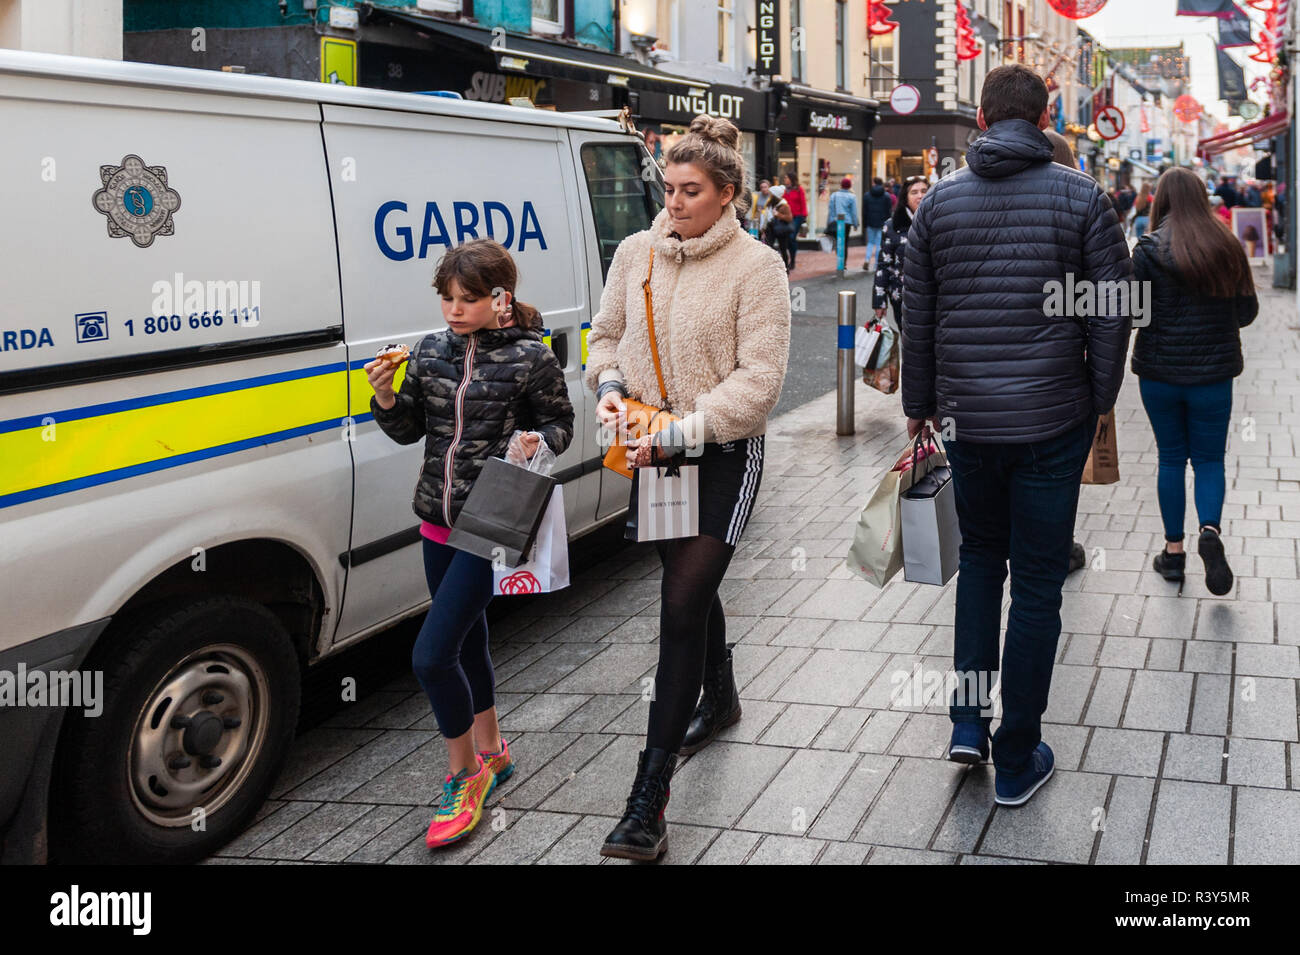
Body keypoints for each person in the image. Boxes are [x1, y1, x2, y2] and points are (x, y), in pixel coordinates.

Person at [901, 64, 1133, 807]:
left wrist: (920, 403)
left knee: (979, 561)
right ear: (1045, 116)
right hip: (1053, 418)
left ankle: (967, 720)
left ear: (979, 117)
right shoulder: (1086, 198)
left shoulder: (937, 204)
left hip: (968, 419)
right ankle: (1018, 750)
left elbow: (918, 312)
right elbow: (1111, 310)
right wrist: (1097, 395)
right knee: (1036, 583)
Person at [585, 114, 791, 861]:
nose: (672, 203)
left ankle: (648, 798)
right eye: (667, 188)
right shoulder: (635, 252)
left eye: (690, 191)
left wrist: (682, 429)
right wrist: (608, 385)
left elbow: (761, 382)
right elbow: (604, 333)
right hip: (647, 445)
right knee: (688, 586)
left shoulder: (757, 266)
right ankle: (723, 692)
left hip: (722, 450)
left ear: (727, 193)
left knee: (678, 605)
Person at [366, 238, 575, 847]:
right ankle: (494, 748)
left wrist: (542, 441)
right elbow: (410, 430)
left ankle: (465, 776)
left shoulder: (531, 357)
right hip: (436, 517)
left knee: (431, 656)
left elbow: (560, 422)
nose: (454, 310)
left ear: (499, 298)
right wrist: (384, 395)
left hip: (492, 521)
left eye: (468, 299)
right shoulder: (431, 351)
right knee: (469, 638)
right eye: (447, 298)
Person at [1133, 167, 1257, 595]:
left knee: (1170, 459)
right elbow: (1246, 313)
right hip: (1214, 375)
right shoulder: (1225, 245)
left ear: (1161, 200)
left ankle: (1173, 554)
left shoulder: (1147, 249)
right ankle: (1210, 529)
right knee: (1209, 459)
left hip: (1160, 373)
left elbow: (1135, 313)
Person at [871, 175, 927, 326]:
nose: (920, 196)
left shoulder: (938, 222)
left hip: (933, 299)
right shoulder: (892, 225)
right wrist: (879, 301)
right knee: (909, 343)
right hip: (902, 297)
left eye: (924, 191)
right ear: (905, 197)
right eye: (914, 192)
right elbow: (884, 265)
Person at [862, 178, 894, 271]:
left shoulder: (867, 195)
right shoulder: (886, 196)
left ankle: (867, 260)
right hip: (882, 223)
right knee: (879, 244)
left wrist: (865, 223)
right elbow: (889, 211)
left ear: (874, 183)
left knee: (870, 242)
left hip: (870, 222)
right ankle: (876, 264)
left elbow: (864, 211)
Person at [824, 176, 859, 252]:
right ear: (849, 186)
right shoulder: (852, 197)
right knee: (845, 242)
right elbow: (854, 212)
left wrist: (829, 222)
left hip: (836, 221)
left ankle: (839, 259)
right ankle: (843, 261)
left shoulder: (834, 195)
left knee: (838, 241)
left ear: (841, 185)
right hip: (847, 222)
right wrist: (855, 224)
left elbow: (831, 211)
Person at [782, 172, 808, 269]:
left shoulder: (799, 189)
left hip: (797, 216)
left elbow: (803, 202)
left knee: (792, 237)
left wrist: (804, 216)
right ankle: (789, 258)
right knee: (788, 238)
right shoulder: (784, 190)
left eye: (786, 177)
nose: (785, 179)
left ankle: (792, 261)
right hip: (787, 216)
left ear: (791, 179)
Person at [767, 183, 796, 271]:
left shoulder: (784, 205)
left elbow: (789, 218)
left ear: (775, 195)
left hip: (781, 230)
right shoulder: (771, 203)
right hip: (772, 229)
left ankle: (785, 267)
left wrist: (778, 214)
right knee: (769, 247)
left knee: (783, 248)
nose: (769, 195)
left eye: (771, 194)